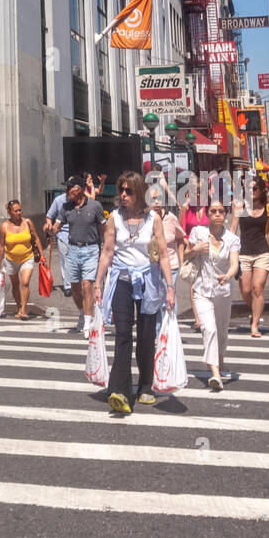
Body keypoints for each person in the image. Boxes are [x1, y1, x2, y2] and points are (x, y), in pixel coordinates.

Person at [94, 171, 175, 414]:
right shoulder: (114, 218)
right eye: (121, 190)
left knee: (146, 334)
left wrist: (170, 287)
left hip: (148, 280)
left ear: (139, 193)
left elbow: (162, 254)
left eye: (129, 191)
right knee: (122, 333)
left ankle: (146, 385)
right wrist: (98, 283)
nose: (123, 195)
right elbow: (107, 251)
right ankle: (119, 389)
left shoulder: (153, 219)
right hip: (122, 279)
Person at [186, 203, 240, 390]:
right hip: (201, 290)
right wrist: (196, 250)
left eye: (221, 211)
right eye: (213, 211)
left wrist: (228, 276)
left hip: (223, 291)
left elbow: (234, 263)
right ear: (207, 214)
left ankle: (220, 358)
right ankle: (215, 374)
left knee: (222, 332)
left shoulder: (232, 239)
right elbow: (185, 256)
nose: (217, 214)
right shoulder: (198, 233)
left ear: (225, 214)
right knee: (209, 329)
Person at [56, 178, 105, 334]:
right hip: (73, 251)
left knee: (87, 285)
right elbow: (57, 226)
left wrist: (105, 248)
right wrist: (50, 229)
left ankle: (88, 324)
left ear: (79, 189)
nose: (66, 192)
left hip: (91, 249)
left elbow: (103, 228)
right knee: (75, 289)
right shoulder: (65, 207)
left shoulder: (95, 206)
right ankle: (83, 313)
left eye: (69, 189)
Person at [230, 175, 269, 338]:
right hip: (244, 253)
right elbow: (233, 228)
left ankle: (255, 324)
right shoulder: (239, 206)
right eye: (248, 188)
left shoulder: (267, 206)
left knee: (257, 288)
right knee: (246, 290)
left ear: (261, 189)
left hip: (262, 252)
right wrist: (229, 252)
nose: (251, 191)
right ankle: (256, 309)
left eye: (254, 188)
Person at [0, 200, 43, 319]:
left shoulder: (27, 222)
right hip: (11, 260)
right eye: (16, 211)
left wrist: (42, 256)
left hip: (27, 257)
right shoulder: (4, 227)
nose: (19, 212)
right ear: (10, 212)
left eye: (20, 210)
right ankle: (18, 306)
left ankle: (23, 309)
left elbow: (37, 239)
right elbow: (1, 245)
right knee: (15, 284)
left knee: (25, 282)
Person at [47, 176, 81, 297]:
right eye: (67, 186)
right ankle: (67, 286)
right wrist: (49, 224)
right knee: (65, 261)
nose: (67, 188)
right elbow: (50, 215)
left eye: (70, 186)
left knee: (78, 261)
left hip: (78, 234)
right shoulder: (59, 200)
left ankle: (77, 283)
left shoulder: (82, 201)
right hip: (63, 234)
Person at [181, 197, 210, 332]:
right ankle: (198, 319)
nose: (198, 195)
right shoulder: (187, 208)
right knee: (193, 284)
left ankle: (207, 314)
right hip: (192, 248)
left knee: (207, 282)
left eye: (200, 192)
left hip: (207, 250)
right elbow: (182, 229)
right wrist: (187, 245)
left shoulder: (208, 207)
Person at [157, 200, 187, 288]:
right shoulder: (145, 219)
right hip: (150, 269)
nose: (155, 202)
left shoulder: (170, 218)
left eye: (158, 199)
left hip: (171, 266)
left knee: (170, 297)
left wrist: (181, 261)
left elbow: (180, 238)